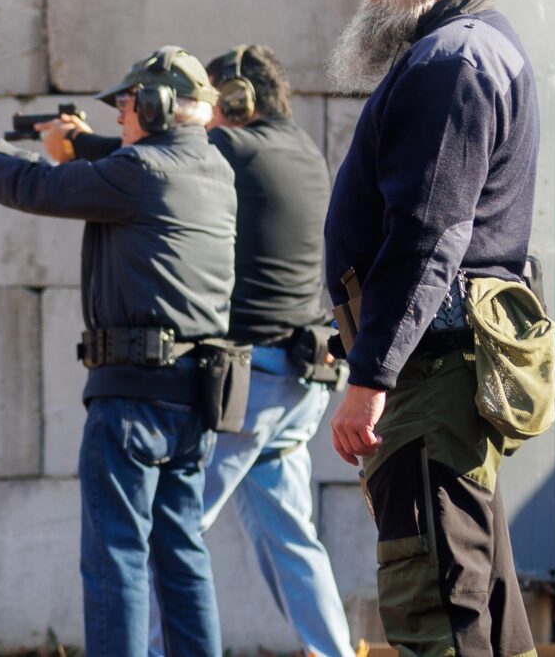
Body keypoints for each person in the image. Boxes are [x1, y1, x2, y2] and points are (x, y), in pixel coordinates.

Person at [0, 46, 236, 657]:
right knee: (180, 558)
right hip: (192, 394)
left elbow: (34, 184)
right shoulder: (214, 170)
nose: (121, 118)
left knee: (115, 559)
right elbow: (142, 159)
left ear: (156, 105)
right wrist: (86, 142)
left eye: (126, 106)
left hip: (133, 399)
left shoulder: (138, 174)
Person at [325, 0, 542, 656]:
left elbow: (429, 235)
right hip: (440, 375)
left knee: (436, 618)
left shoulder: (452, 61)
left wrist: (370, 375)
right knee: (480, 615)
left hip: (426, 382)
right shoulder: (472, 49)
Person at [98, 44, 354, 657]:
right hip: (302, 376)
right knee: (291, 536)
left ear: (237, 101)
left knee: (171, 530)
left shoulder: (234, 150)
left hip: (259, 377)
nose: (199, 114)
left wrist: (82, 147)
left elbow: (159, 165)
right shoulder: (303, 152)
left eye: (210, 100)